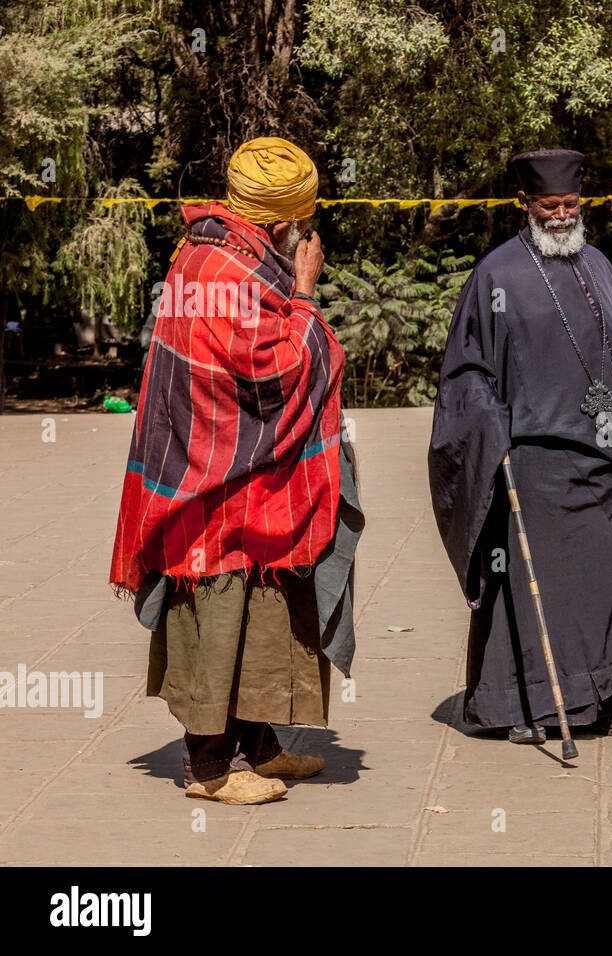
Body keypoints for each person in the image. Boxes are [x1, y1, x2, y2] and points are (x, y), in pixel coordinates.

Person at [110, 137, 364, 805]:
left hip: (247, 477)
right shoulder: (225, 272)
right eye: (301, 227)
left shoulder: (219, 253)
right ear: (283, 224)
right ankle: (209, 769)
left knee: (267, 620)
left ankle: (259, 746)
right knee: (219, 622)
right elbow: (277, 371)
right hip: (215, 490)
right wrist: (306, 295)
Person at [428, 149, 612, 744]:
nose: (561, 216)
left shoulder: (600, 266)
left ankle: (610, 695)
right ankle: (529, 703)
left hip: (611, 459)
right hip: (533, 462)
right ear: (525, 205)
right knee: (535, 586)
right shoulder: (497, 277)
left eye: (570, 204)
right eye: (549, 206)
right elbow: (466, 374)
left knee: (609, 584)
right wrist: (490, 429)